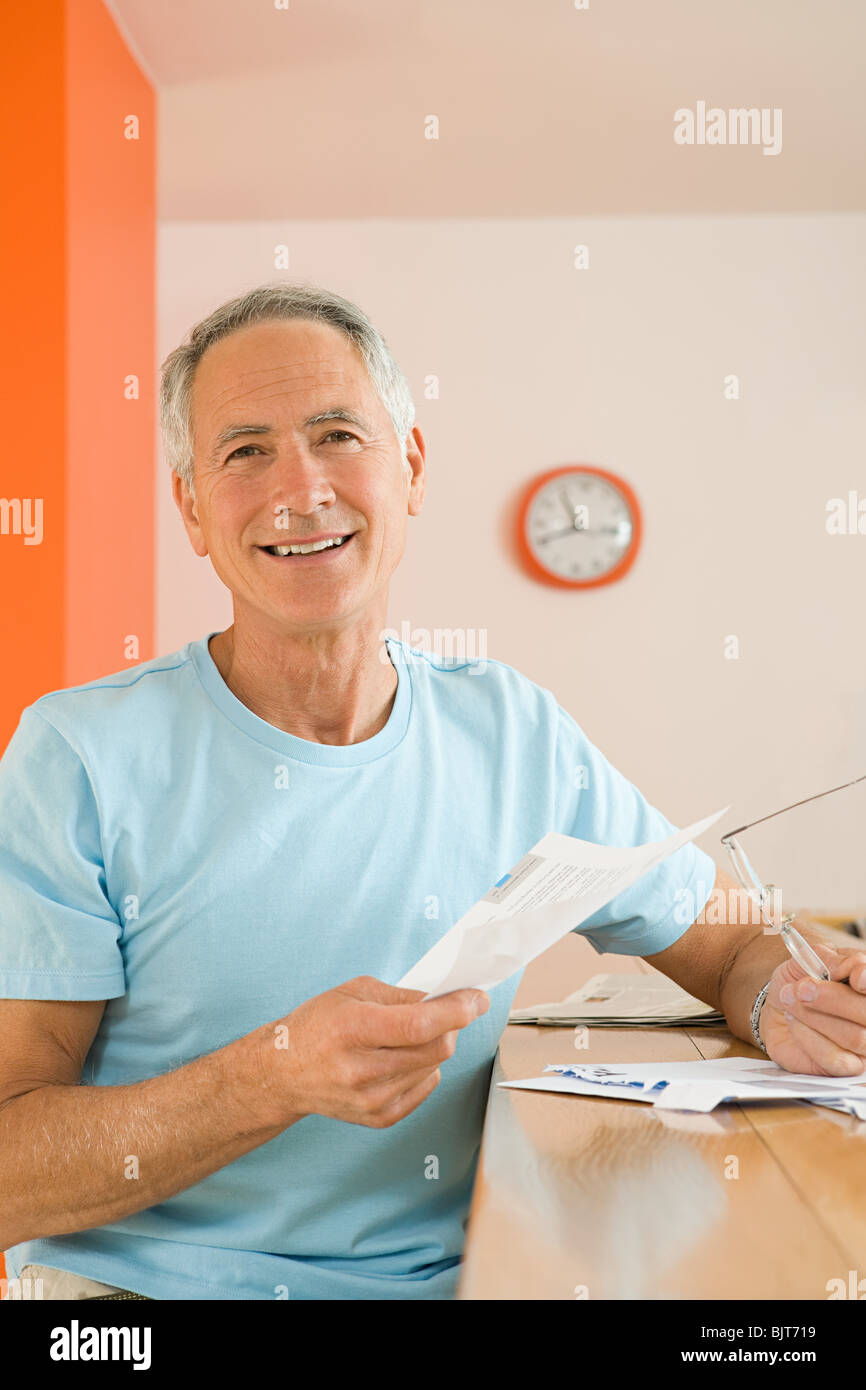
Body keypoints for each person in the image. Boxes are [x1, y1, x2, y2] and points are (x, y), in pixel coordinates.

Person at [1, 283, 864, 1302]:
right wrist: (271, 1077)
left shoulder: (511, 729)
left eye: (335, 434)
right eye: (244, 452)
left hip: (460, 1283)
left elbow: (728, 941)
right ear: (191, 506)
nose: (301, 488)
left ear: (409, 467)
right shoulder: (76, 755)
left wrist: (791, 999)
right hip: (144, 1301)